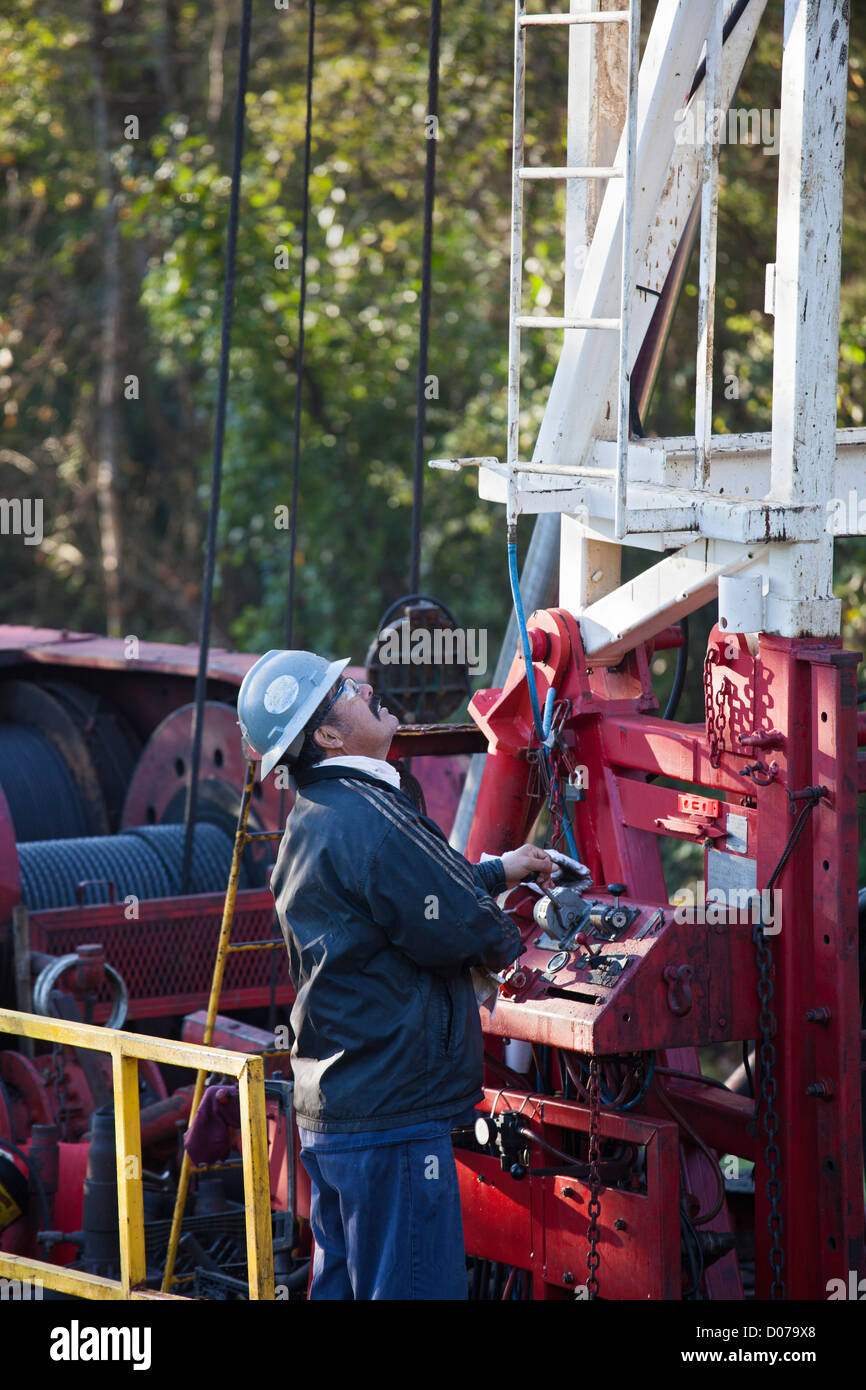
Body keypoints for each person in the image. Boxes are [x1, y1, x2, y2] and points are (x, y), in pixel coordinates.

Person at [237, 648, 552, 1300]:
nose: (367, 690)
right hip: (393, 1121)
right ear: (326, 735)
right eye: (347, 690)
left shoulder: (314, 818)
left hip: (337, 1110)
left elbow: (397, 898)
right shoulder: (372, 812)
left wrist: (498, 871)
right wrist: (504, 939)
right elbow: (460, 924)